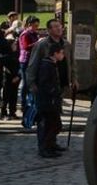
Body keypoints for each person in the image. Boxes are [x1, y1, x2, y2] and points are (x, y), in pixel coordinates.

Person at [25, 19, 77, 154]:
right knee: (45, 118)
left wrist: (74, 79)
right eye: (55, 27)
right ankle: (44, 146)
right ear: (49, 30)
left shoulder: (66, 44)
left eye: (59, 26)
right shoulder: (42, 44)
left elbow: (71, 63)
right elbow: (33, 64)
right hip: (45, 86)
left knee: (55, 117)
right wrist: (31, 83)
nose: (59, 29)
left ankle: (52, 143)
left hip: (59, 85)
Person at [35, 40, 66, 158]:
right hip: (47, 101)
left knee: (55, 124)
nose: (63, 55)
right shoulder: (46, 65)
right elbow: (44, 83)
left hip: (52, 101)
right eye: (61, 53)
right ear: (55, 53)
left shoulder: (52, 64)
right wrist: (54, 92)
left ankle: (51, 145)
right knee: (50, 125)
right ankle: (45, 148)